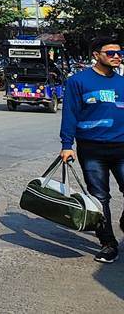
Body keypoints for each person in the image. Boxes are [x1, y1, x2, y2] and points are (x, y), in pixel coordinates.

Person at [60, 35, 124, 263]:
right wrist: (67, 145)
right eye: (111, 53)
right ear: (96, 55)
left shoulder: (122, 82)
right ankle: (108, 243)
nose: (117, 56)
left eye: (119, 53)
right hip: (92, 149)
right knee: (99, 197)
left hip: (122, 147)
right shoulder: (78, 81)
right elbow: (70, 114)